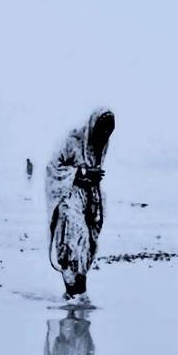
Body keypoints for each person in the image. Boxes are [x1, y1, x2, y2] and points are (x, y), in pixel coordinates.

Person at [45, 108, 115, 297]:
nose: (106, 135)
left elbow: (96, 169)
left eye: (109, 131)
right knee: (73, 241)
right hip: (70, 197)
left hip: (90, 198)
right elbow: (53, 168)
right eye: (103, 130)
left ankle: (77, 291)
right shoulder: (73, 140)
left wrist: (93, 181)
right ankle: (73, 293)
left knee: (89, 244)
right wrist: (81, 173)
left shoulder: (101, 143)